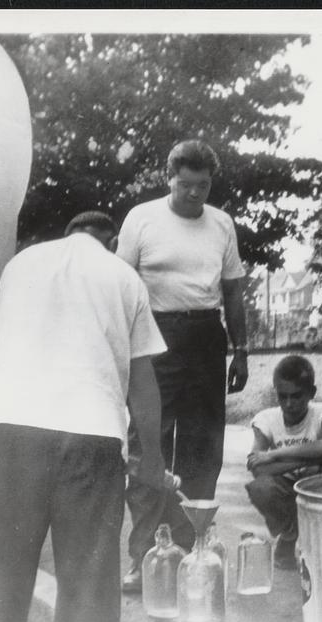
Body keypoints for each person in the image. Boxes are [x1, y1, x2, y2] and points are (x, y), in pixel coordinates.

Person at [0, 211, 166, 622]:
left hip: (10, 434)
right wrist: (152, 458)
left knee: (2, 582)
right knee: (89, 594)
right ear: (112, 239)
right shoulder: (124, 277)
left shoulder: (21, 265)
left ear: (67, 233)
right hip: (92, 437)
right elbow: (142, 382)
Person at [116, 139, 249, 592]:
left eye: (204, 185)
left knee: (202, 450)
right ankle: (145, 556)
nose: (195, 194)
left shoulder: (222, 224)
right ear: (169, 178)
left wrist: (242, 348)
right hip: (153, 339)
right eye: (186, 184)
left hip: (206, 339)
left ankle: (193, 552)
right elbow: (121, 284)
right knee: (148, 446)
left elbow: (233, 290)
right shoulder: (142, 218)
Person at [246, 355, 322, 569]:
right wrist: (315, 455)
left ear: (311, 393)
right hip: (285, 484)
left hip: (315, 482)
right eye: (282, 396)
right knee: (260, 488)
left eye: (296, 396)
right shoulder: (266, 419)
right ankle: (289, 533)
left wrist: (276, 455)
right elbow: (256, 466)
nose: (289, 404)